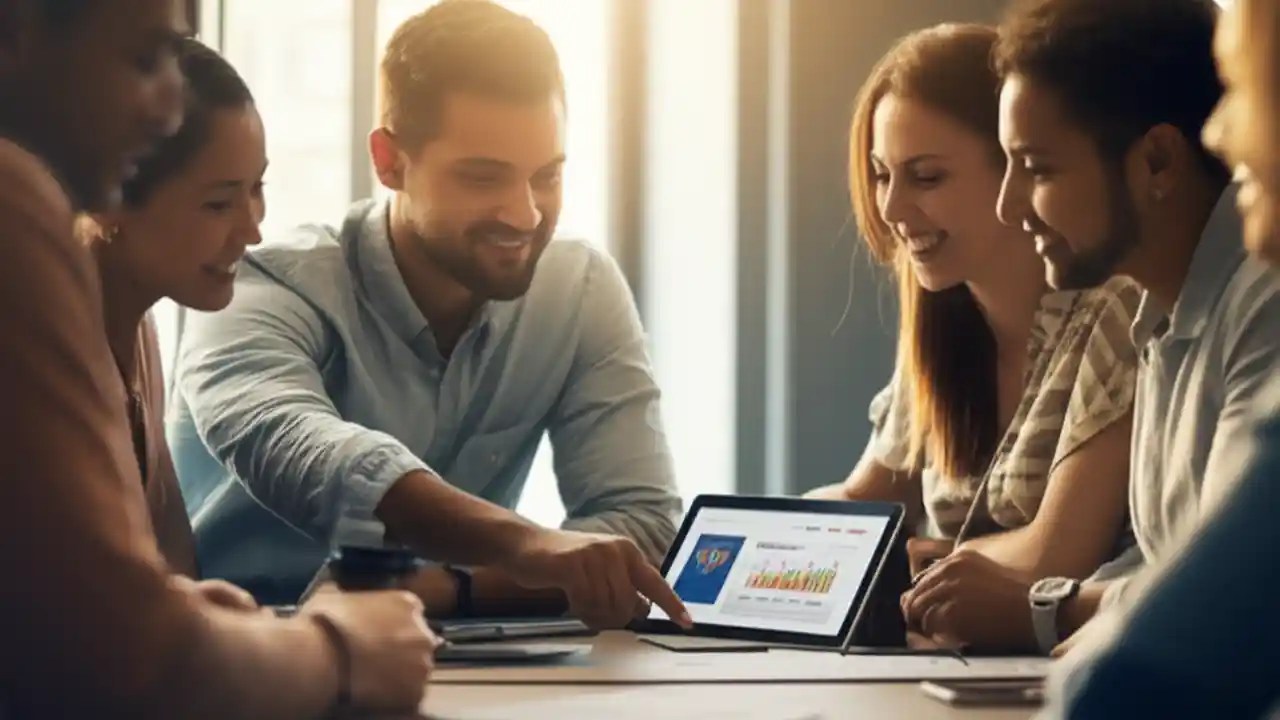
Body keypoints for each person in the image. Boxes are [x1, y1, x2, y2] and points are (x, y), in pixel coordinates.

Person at [166, 0, 691, 629]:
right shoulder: (263, 284)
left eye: (546, 177)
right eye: (483, 179)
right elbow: (305, 450)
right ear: (389, 161)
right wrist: (524, 549)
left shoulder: (578, 288)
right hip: (244, 650)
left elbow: (643, 528)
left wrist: (441, 587)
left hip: (465, 657)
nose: (524, 214)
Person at [0, 2, 437, 716]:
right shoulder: (15, 214)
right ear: (14, 34)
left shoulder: (135, 328)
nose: (172, 103)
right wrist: (343, 646)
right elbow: (127, 658)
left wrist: (186, 616)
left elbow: (127, 607)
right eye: (144, 58)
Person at [905, 0, 1280, 654]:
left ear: (1158, 163)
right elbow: (1163, 565)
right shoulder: (1160, 316)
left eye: (1039, 168)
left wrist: (1043, 608)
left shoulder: (1262, 303)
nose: (1009, 205)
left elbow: (1230, 592)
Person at [805, 23, 1139, 652]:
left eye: (926, 178)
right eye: (881, 176)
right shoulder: (941, 320)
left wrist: (925, 561)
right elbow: (862, 503)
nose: (891, 209)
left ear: (1017, 166)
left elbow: (1053, 554)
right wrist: (731, 542)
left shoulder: (1115, 311)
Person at [1042, 0, 1280, 715]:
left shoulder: (1255, 307)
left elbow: (1147, 677)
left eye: (1243, 88)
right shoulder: (1155, 323)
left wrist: (1058, 610)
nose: (1220, 132)